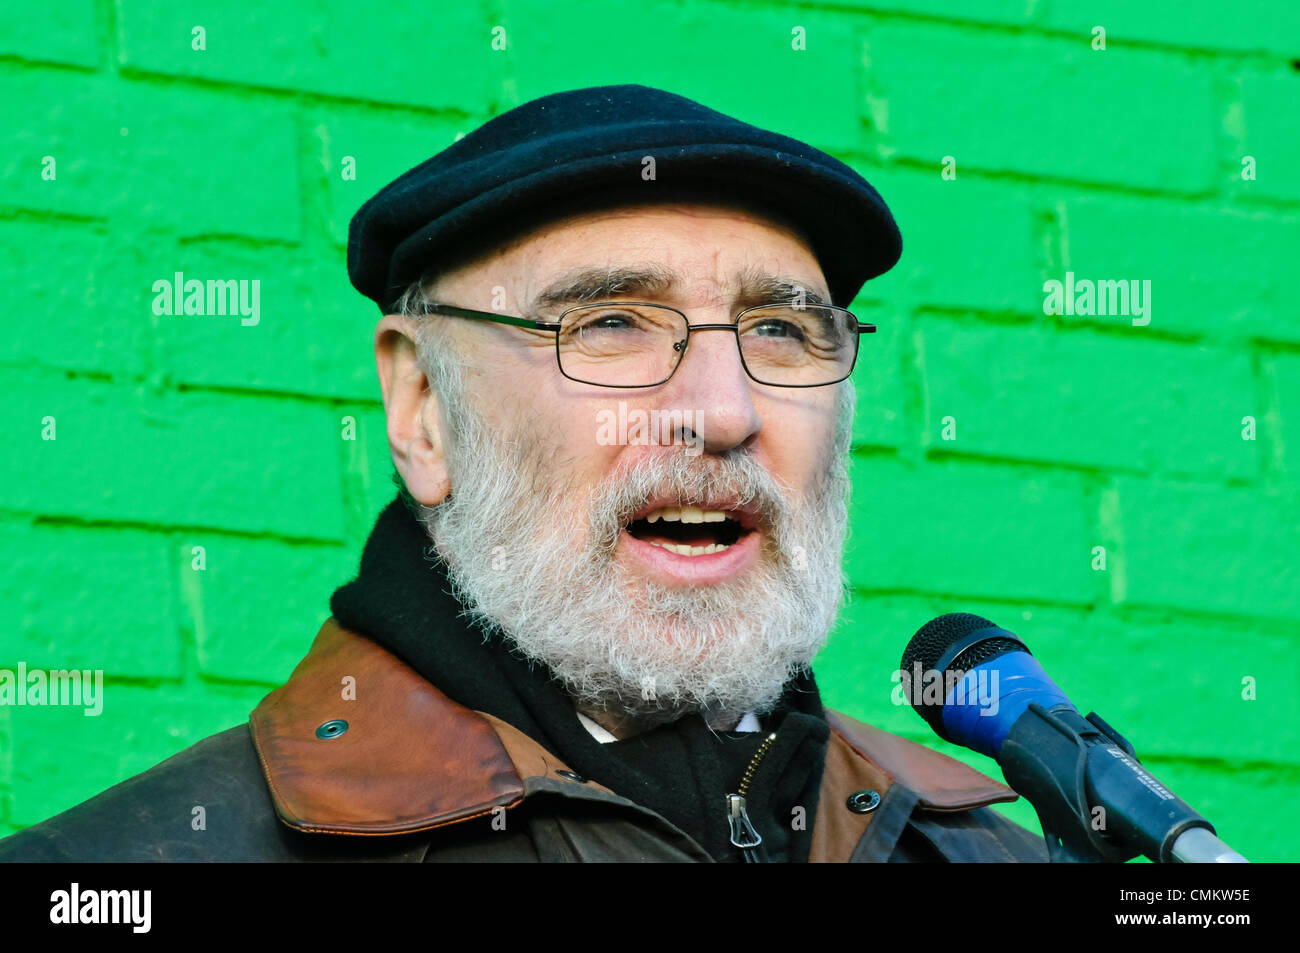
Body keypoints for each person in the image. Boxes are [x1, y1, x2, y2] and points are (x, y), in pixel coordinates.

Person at [0, 84, 1047, 862]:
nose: (725, 412)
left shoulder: (982, 850)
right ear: (421, 411)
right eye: (610, 324)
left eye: (779, 329)